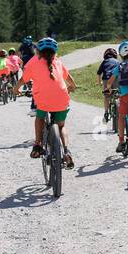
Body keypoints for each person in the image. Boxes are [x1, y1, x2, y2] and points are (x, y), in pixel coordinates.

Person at [21, 37, 76, 168]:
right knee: (61, 126)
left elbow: (23, 79)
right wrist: (72, 86)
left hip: (43, 100)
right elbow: (70, 80)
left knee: (39, 117)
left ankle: (38, 145)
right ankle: (66, 151)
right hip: (61, 98)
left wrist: (16, 89)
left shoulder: (33, 62)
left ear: (38, 51)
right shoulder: (58, 62)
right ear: (54, 52)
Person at [96, 47, 120, 122]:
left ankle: (106, 112)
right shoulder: (117, 61)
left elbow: (98, 73)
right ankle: (118, 109)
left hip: (106, 79)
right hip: (116, 79)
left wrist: (99, 82)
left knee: (107, 96)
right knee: (118, 95)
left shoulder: (104, 62)